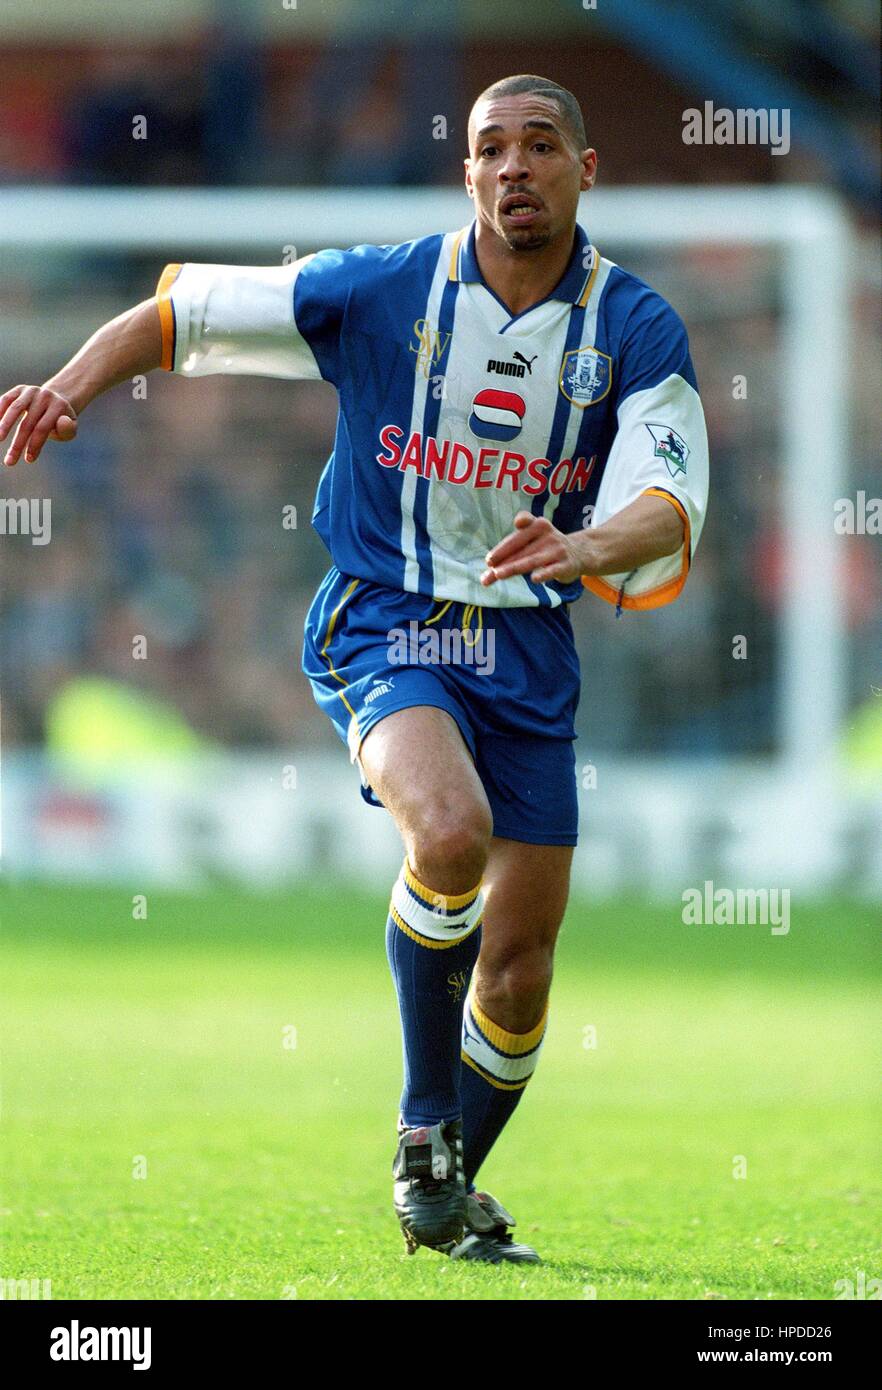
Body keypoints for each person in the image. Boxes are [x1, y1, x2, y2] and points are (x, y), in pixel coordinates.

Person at [0, 74, 709, 1264]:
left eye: (542, 145)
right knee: (448, 831)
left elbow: (670, 497)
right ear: (467, 173)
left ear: (589, 170)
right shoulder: (384, 289)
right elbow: (180, 312)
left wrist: (584, 542)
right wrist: (65, 389)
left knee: (522, 967)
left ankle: (447, 1195)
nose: (516, 166)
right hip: (389, 616)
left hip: (529, 640)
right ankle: (423, 1125)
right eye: (492, 148)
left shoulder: (635, 329)